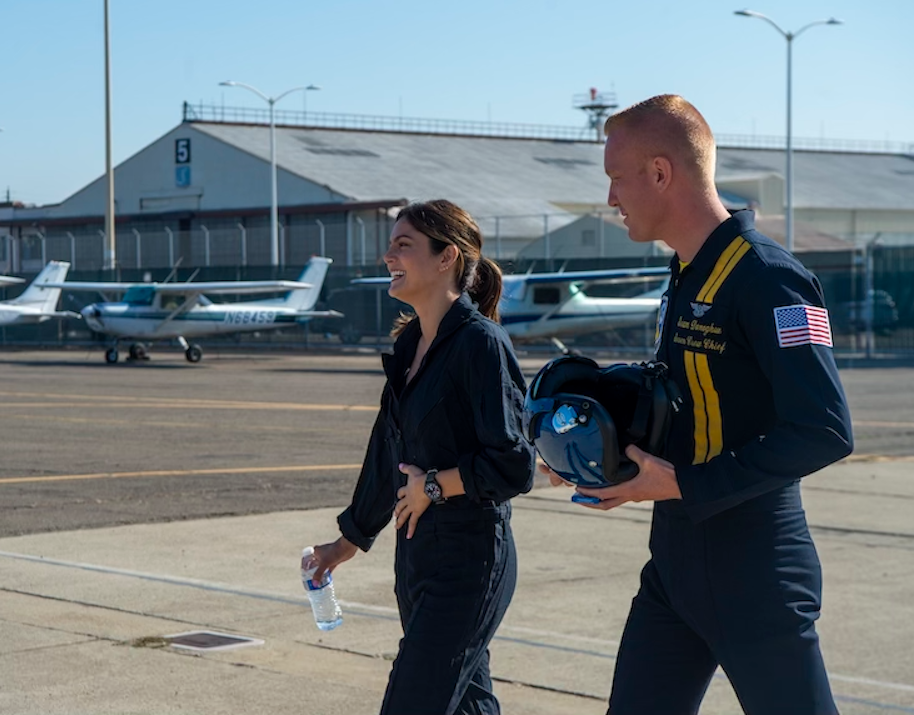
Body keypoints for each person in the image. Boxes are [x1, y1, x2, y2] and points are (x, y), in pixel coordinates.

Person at [545, 95, 854, 714]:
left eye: (616, 178)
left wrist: (686, 484)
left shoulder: (770, 278)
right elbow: (688, 399)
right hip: (675, 563)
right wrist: (601, 449)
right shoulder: (686, 271)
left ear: (661, 173)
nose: (610, 198)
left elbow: (824, 428)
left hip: (754, 566)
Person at [311, 199, 535, 715]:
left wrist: (434, 485)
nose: (388, 255)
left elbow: (514, 464)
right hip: (416, 558)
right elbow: (384, 454)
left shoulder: (480, 344)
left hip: (469, 558)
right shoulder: (410, 345)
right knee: (468, 706)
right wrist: (347, 541)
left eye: (403, 244)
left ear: (446, 257)